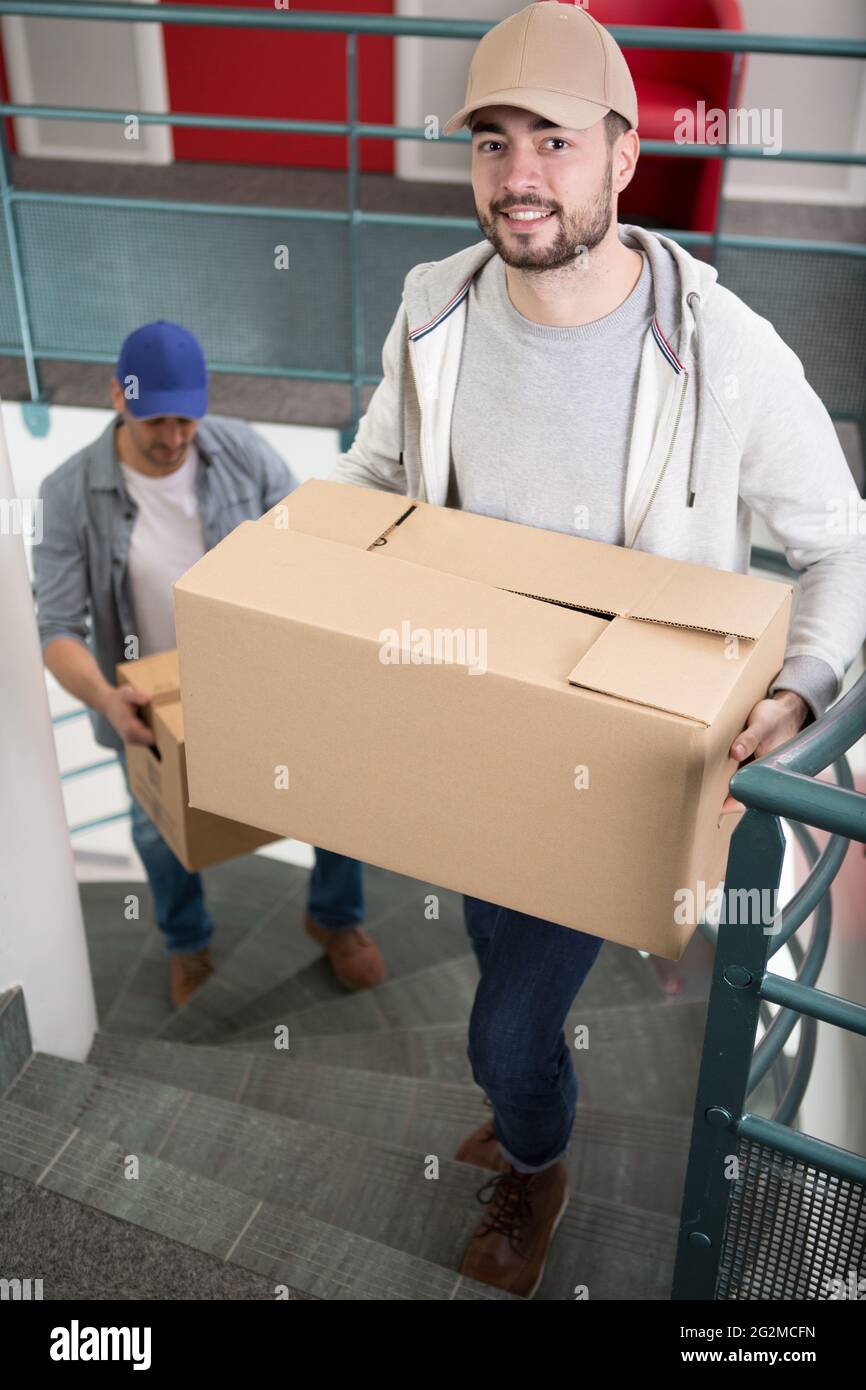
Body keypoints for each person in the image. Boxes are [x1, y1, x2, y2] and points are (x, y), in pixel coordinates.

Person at [330, 2, 866, 1296]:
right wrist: (302, 576)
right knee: (484, 940)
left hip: (612, 752)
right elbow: (375, 472)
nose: (520, 176)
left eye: (555, 143)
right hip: (468, 720)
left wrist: (801, 683)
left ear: (623, 157)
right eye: (493, 142)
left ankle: (535, 1155)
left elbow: (841, 542)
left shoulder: (724, 352)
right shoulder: (432, 306)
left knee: (507, 1018)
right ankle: (519, 1103)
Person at [33, 320, 387, 1007]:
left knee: (332, 794)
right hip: (148, 702)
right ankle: (187, 945)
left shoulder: (243, 452)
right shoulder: (67, 494)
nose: (172, 438)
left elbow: (308, 549)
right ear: (117, 397)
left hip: (258, 676)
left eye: (185, 420)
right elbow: (57, 628)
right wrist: (107, 699)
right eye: (155, 421)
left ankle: (335, 919)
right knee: (156, 833)